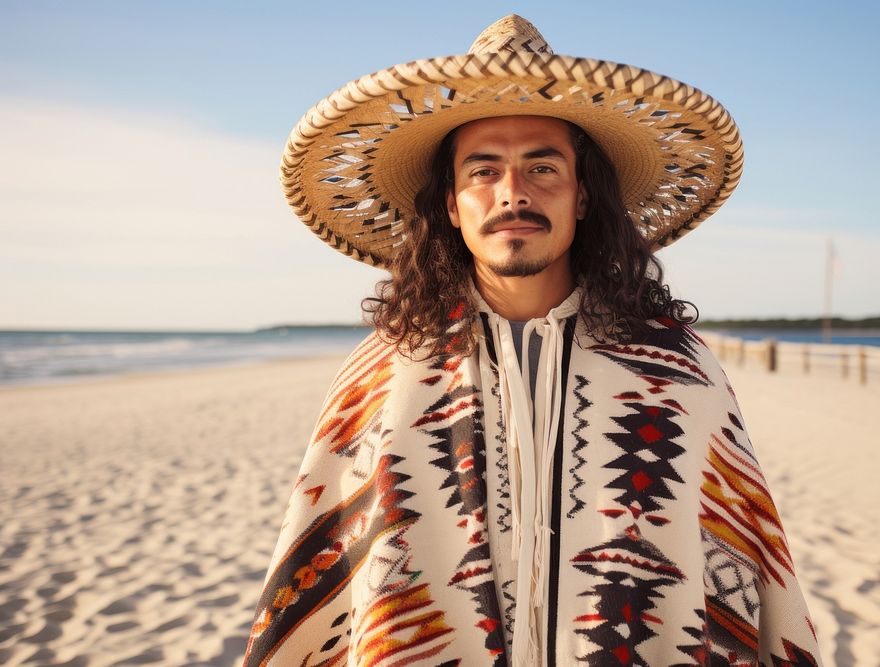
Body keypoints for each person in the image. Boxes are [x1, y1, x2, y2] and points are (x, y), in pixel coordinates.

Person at [245, 15, 821, 666]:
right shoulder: (383, 373)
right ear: (452, 206)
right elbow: (328, 590)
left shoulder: (681, 373)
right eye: (483, 172)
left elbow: (741, 567)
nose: (512, 193)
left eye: (542, 168)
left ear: (582, 196)